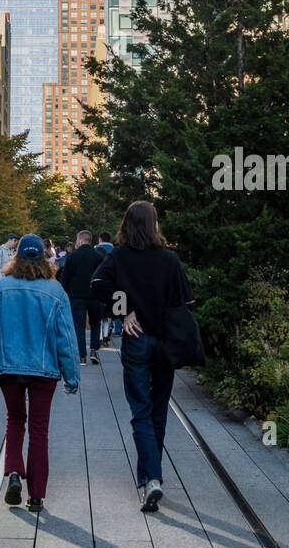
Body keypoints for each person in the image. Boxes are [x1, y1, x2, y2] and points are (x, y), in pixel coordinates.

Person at [91, 200, 194, 514]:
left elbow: (97, 285)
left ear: (127, 224)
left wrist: (124, 310)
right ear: (154, 225)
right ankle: (152, 477)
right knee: (159, 410)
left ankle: (151, 479)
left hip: (136, 341)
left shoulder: (118, 257)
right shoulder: (170, 260)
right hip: (164, 342)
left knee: (140, 410)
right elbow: (186, 301)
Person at [0, 233, 80, 512]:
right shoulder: (55, 291)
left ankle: (12, 472)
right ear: (44, 258)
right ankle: (36, 496)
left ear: (17, 256)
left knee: (14, 420)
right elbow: (66, 338)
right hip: (44, 371)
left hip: (8, 369)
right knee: (39, 429)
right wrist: (72, 376)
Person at [59, 230, 105, 366]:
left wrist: (65, 293)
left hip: (76, 296)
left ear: (79, 240)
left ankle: (82, 356)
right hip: (94, 295)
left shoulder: (72, 257)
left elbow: (65, 278)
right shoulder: (98, 257)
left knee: (78, 325)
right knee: (96, 323)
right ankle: (94, 351)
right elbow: (103, 277)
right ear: (90, 241)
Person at [95, 232, 117, 344]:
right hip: (112, 285)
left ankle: (99, 336)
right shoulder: (115, 250)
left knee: (99, 314)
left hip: (98, 283)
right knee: (108, 314)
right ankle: (106, 334)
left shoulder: (95, 249)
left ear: (100, 239)